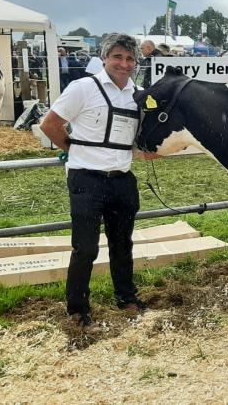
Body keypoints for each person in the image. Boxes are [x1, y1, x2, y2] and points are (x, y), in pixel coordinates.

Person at [40, 33, 159, 332]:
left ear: (136, 63)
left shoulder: (140, 96)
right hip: (86, 179)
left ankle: (127, 298)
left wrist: (147, 150)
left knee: (122, 244)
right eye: (117, 56)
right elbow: (50, 124)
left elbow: (143, 138)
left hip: (122, 179)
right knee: (86, 248)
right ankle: (77, 310)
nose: (124, 63)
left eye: (130, 58)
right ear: (105, 58)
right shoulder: (82, 88)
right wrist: (75, 150)